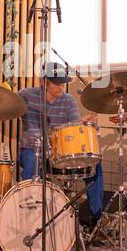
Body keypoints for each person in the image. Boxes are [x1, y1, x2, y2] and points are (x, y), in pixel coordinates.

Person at [17, 66, 104, 221]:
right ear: (44, 82)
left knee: (95, 167)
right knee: (32, 162)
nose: (61, 87)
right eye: (57, 83)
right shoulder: (26, 95)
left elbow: (74, 128)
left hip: (59, 153)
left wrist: (82, 123)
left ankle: (96, 218)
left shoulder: (68, 100)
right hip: (32, 149)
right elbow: (8, 104)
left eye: (63, 83)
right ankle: (27, 215)